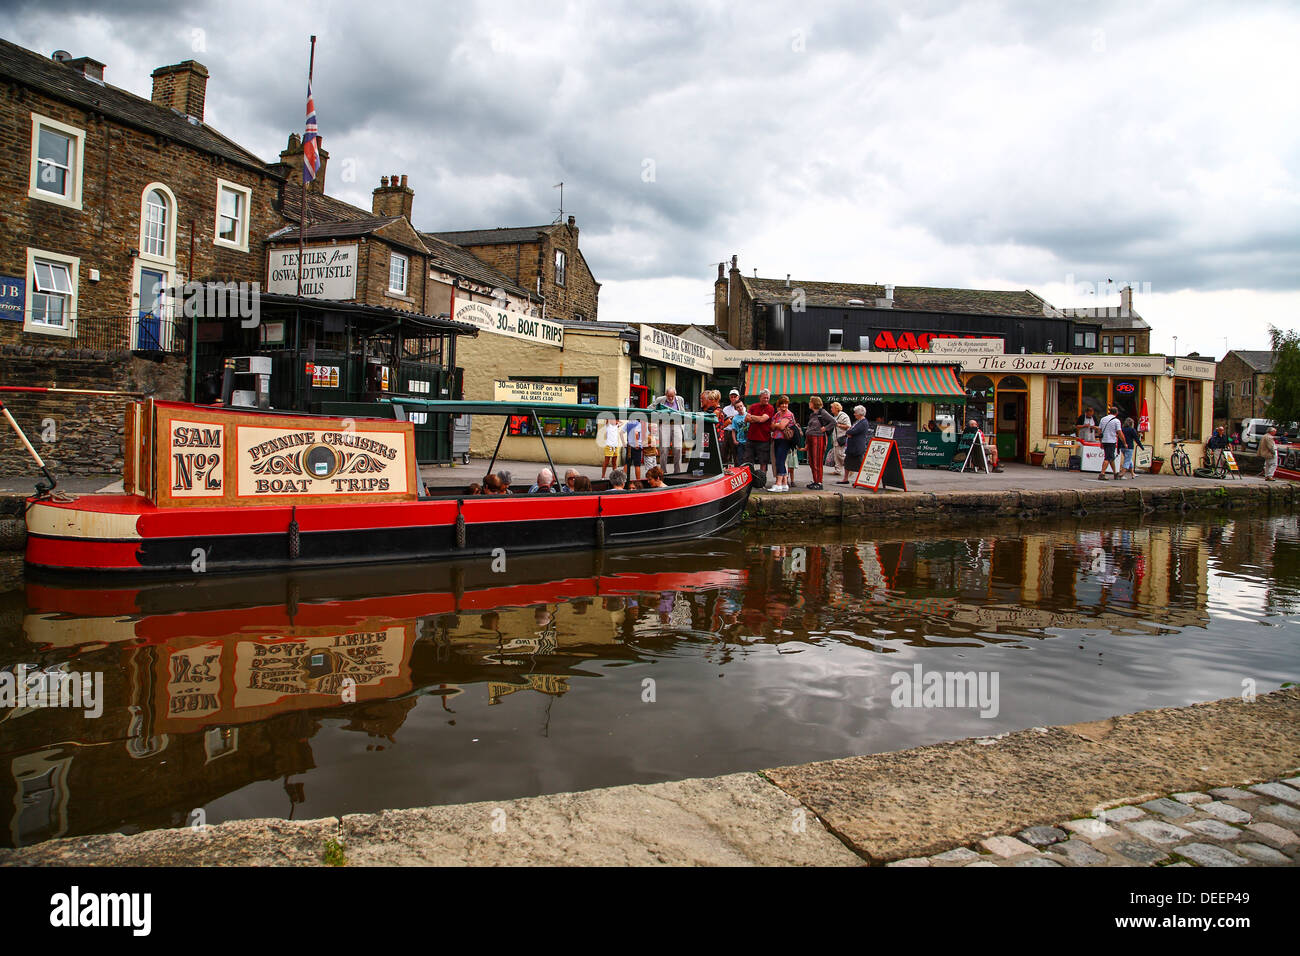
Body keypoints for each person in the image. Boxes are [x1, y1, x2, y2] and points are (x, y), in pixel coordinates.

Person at [804, 396, 835, 491]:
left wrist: (825, 428)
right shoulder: (813, 414)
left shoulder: (822, 412)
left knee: (817, 460)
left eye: (810, 401)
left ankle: (819, 482)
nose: (809, 403)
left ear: (814, 403)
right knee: (812, 460)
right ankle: (815, 480)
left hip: (818, 438)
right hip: (811, 438)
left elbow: (833, 421)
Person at [744, 388, 775, 478]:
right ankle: (749, 480)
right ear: (760, 397)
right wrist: (758, 418)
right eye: (764, 398)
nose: (766, 400)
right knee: (748, 461)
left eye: (767, 398)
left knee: (763, 462)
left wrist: (752, 417)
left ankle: (762, 481)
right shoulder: (753, 406)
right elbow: (746, 419)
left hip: (764, 439)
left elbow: (762, 420)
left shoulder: (770, 408)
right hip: (751, 438)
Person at [655, 387, 687, 474]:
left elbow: (683, 410)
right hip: (665, 424)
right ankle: (663, 471)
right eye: (669, 396)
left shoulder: (680, 399)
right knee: (664, 449)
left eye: (672, 396)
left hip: (676, 424)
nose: (670, 398)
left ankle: (677, 471)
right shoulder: (660, 399)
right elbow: (650, 408)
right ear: (666, 395)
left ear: (675, 395)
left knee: (678, 448)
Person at [769, 395, 797, 492]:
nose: (784, 405)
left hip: (785, 440)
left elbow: (781, 426)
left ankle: (778, 484)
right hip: (776, 439)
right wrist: (777, 425)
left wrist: (776, 424)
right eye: (782, 404)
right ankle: (784, 484)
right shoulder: (777, 414)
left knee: (780, 461)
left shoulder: (789, 414)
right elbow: (771, 427)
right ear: (779, 405)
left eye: (786, 403)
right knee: (779, 460)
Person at [839, 405, 870, 485]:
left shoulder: (863, 422)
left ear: (860, 413)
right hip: (852, 446)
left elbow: (852, 431)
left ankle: (861, 481)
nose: (854, 414)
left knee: (859, 464)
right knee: (847, 462)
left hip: (857, 447)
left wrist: (849, 432)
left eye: (855, 413)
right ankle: (845, 479)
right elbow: (850, 430)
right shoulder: (858, 422)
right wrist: (849, 432)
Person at [1097, 406, 1124, 480]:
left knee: (1111, 457)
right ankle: (1102, 474)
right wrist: (1124, 442)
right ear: (1116, 413)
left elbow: (1099, 430)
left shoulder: (1103, 419)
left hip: (1104, 440)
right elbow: (1119, 432)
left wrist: (1100, 441)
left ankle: (1115, 473)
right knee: (1108, 458)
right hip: (1111, 441)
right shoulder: (1116, 421)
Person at [721, 388, 743, 465]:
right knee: (724, 452)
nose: (733, 398)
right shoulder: (725, 408)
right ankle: (724, 468)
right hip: (726, 432)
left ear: (738, 397)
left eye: (735, 396)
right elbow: (723, 420)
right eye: (732, 396)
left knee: (736, 453)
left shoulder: (742, 408)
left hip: (736, 432)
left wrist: (732, 419)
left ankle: (737, 468)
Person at [830, 401, 851, 477]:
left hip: (841, 437)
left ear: (836, 408)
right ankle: (838, 470)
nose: (831, 409)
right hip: (836, 438)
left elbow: (848, 426)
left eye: (832, 407)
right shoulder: (834, 416)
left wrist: (838, 425)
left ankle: (850, 466)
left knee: (840, 454)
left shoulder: (843, 415)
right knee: (836, 454)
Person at [624, 416, 644, 481]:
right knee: (637, 465)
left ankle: (622, 480)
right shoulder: (638, 424)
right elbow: (636, 433)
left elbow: (621, 432)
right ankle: (638, 481)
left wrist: (623, 442)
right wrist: (637, 443)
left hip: (629, 446)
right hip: (636, 447)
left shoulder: (628, 424)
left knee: (627, 463)